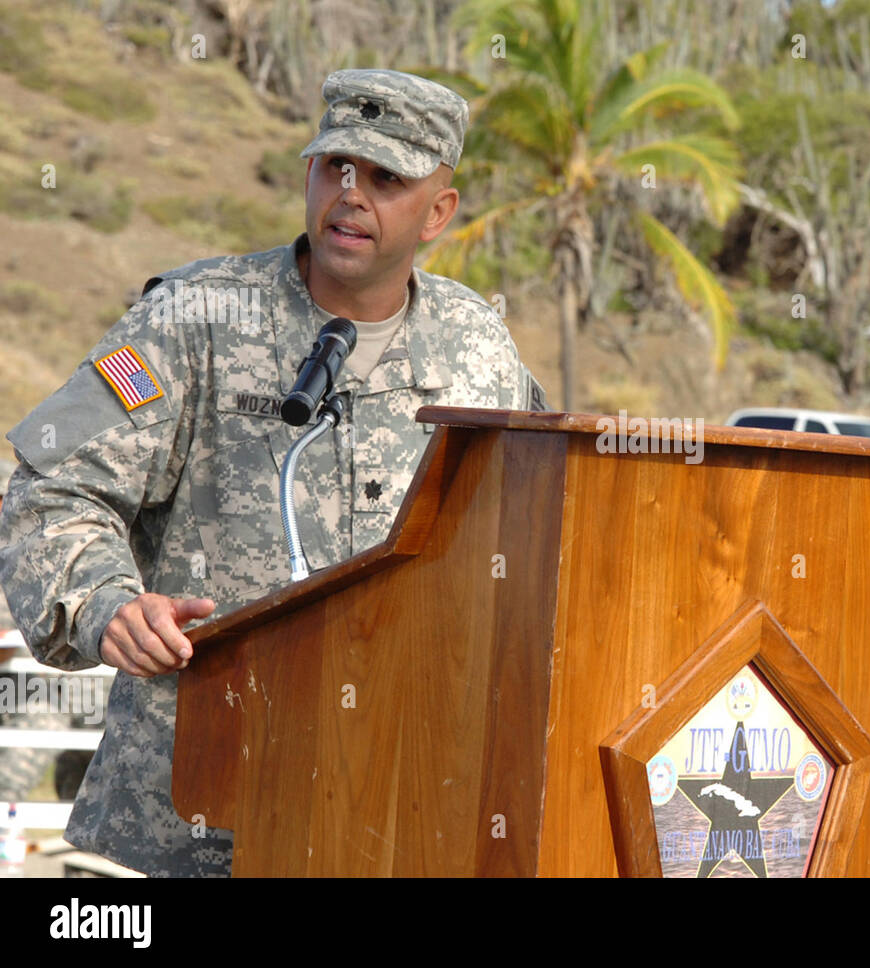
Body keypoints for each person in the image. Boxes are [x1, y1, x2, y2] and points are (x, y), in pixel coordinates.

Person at [0, 69, 546, 877]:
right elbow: (53, 489)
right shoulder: (195, 318)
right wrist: (106, 605)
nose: (351, 195)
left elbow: (545, 519)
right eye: (335, 166)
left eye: (386, 179)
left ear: (439, 212)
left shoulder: (480, 346)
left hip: (409, 815)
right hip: (196, 821)